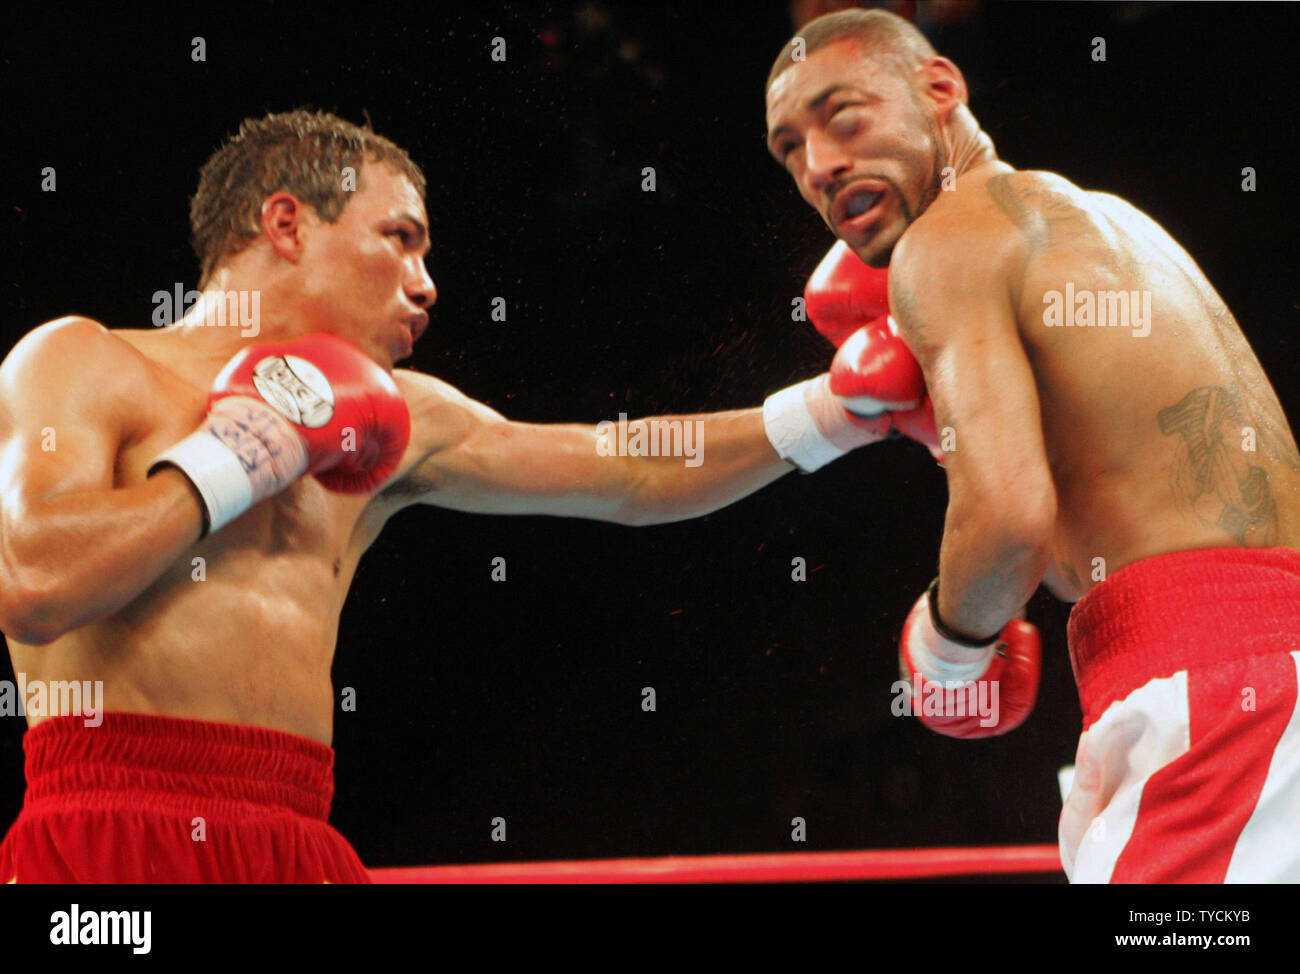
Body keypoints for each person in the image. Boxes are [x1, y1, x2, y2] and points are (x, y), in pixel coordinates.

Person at [0, 109, 931, 883]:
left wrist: (835, 412)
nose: (426, 284)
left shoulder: (396, 415)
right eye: (398, 239)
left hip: (298, 837)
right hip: (110, 824)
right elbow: (37, 584)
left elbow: (627, 467)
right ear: (286, 225)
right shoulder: (85, 360)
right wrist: (233, 460)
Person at [764, 9, 1300, 882]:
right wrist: (930, 430)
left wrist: (945, 649)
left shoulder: (943, 244)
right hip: (1259, 674)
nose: (819, 165)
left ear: (940, 89)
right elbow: (1080, 543)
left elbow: (1008, 520)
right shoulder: (1109, 224)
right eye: (788, 150)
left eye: (843, 116)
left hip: (1213, 697)